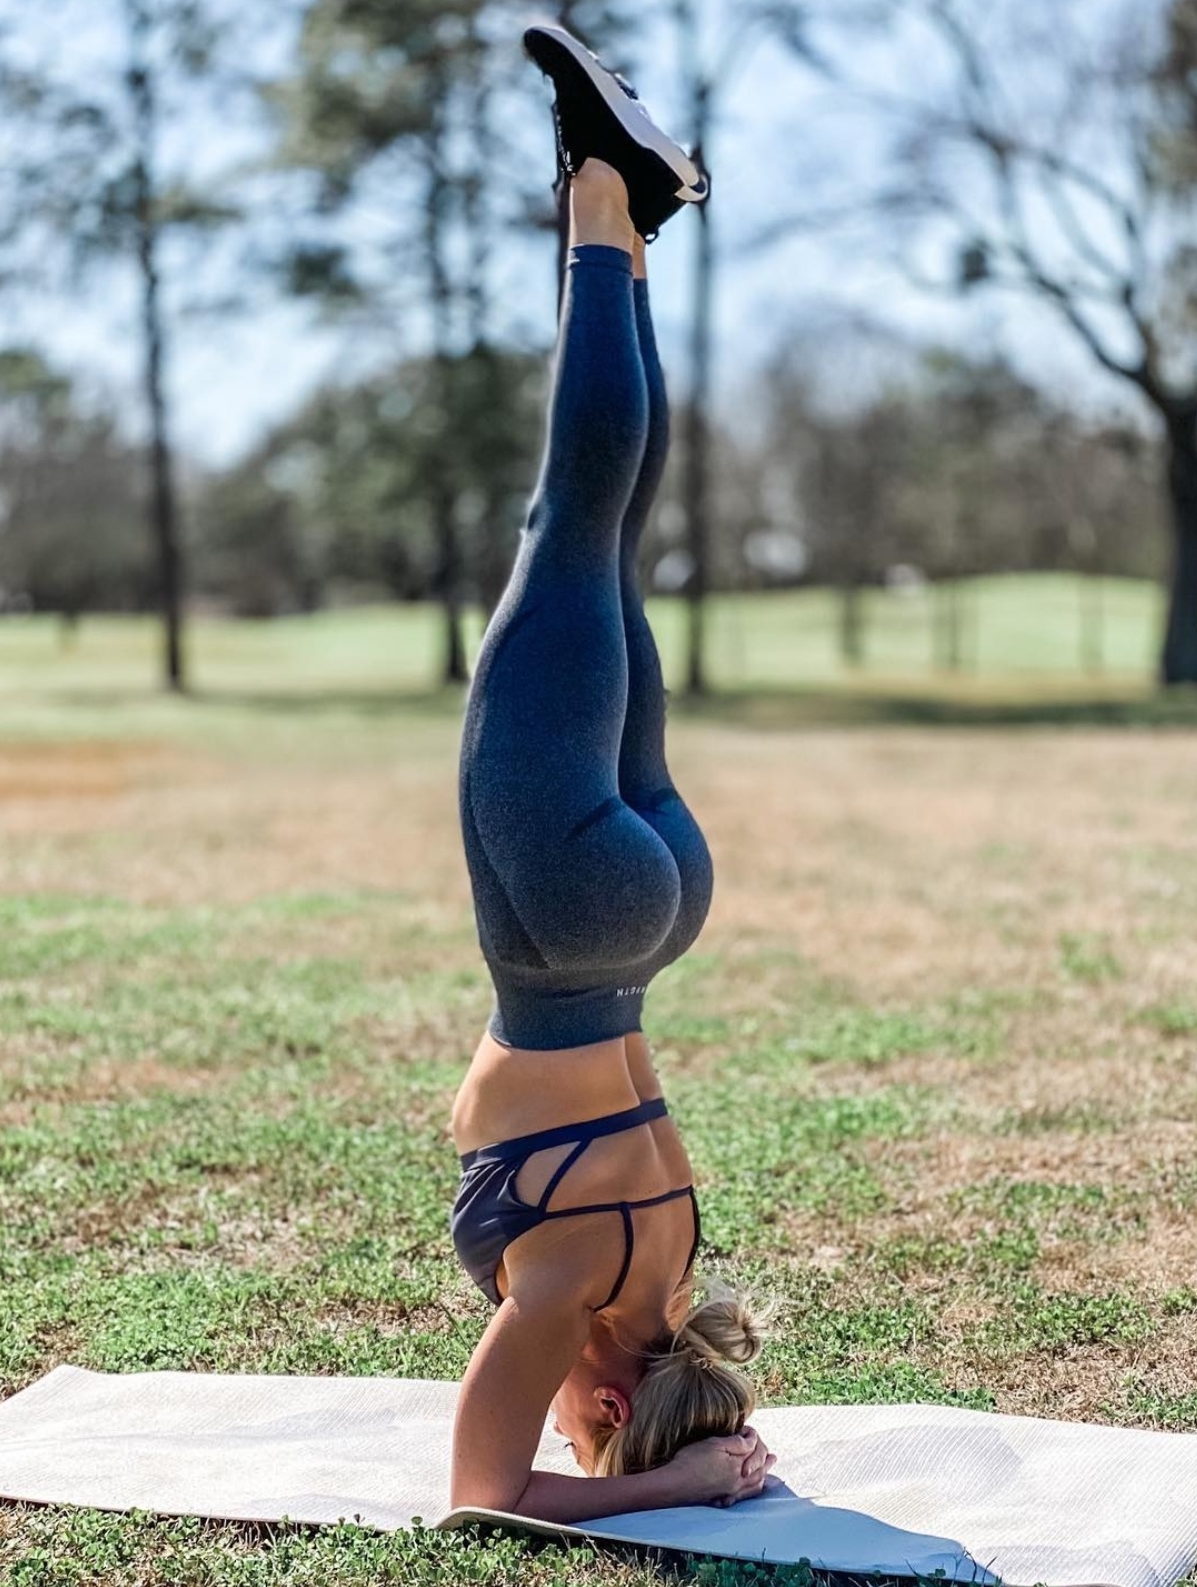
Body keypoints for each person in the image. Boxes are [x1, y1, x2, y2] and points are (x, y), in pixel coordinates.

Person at [445, 23, 779, 1524]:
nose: (562, 1429)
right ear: (602, 1406)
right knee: (571, 521)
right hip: (562, 922)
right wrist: (676, 1483)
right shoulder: (571, 1284)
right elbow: (483, 1496)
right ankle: (603, 188)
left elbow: (620, 1409)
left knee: (608, 531)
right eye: (586, 1435)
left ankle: (627, 223)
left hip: (650, 924)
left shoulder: (672, 1264)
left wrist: (702, 1444)